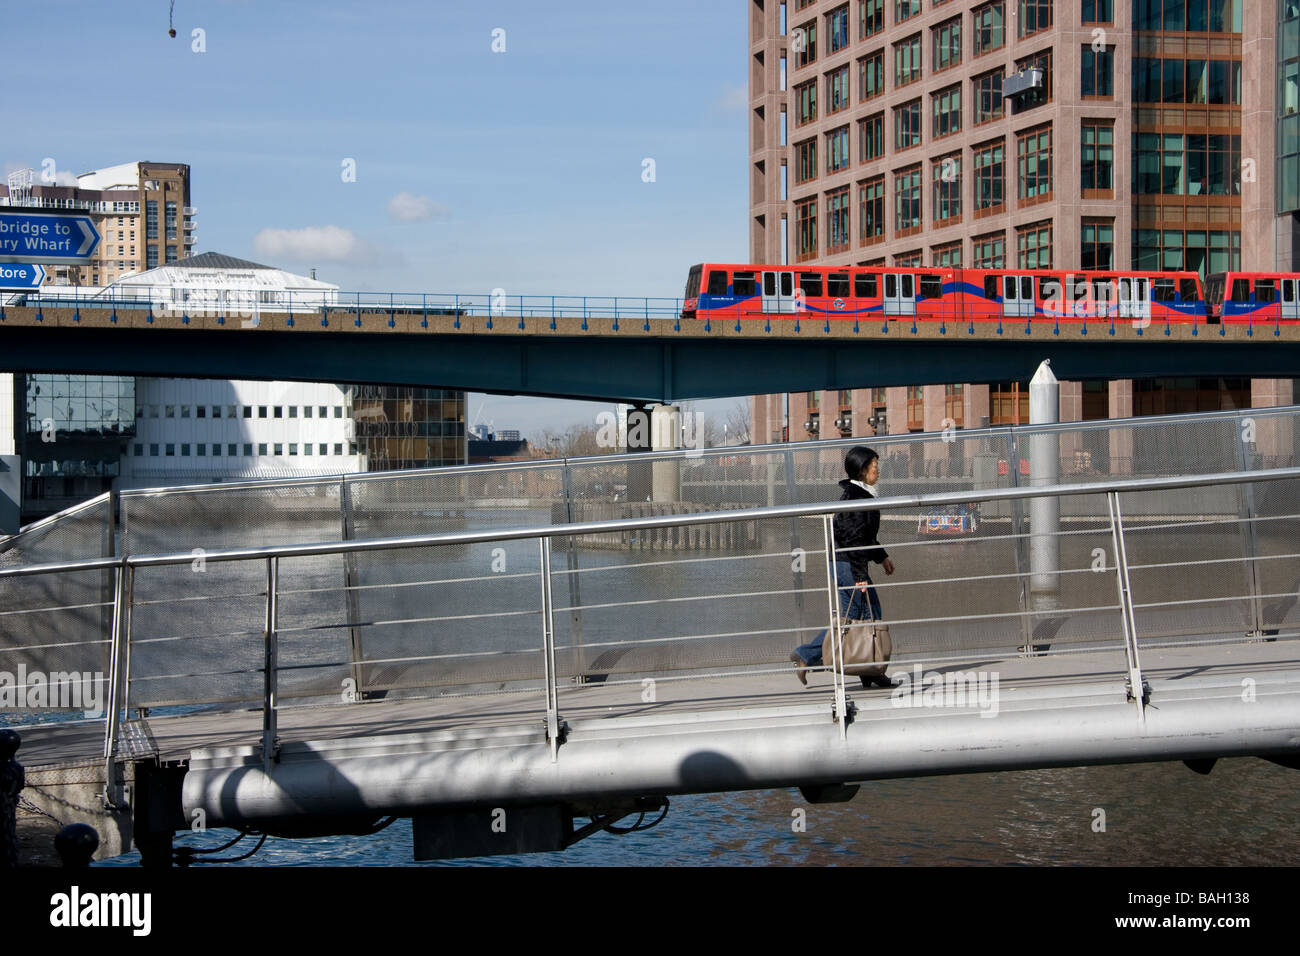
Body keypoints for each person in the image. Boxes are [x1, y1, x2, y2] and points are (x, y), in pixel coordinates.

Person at [790, 445, 896, 688]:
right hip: (848, 565)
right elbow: (853, 540)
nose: (877, 470)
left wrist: (882, 558)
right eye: (874, 466)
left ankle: (866, 668)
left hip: (845, 563)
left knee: (860, 615)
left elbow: (864, 538)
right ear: (861, 470)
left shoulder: (859, 494)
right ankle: (810, 655)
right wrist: (860, 575)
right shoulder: (854, 497)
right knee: (862, 616)